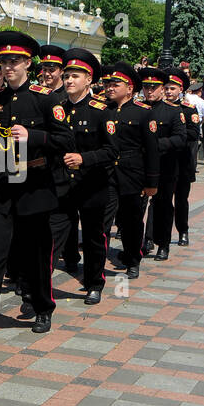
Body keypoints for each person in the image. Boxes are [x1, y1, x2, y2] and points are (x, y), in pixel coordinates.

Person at [0, 31, 74, 345]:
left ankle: (43, 306)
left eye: (14, 61)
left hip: (34, 185)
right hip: (2, 185)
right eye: (3, 61)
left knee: (35, 252)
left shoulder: (45, 99)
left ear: (28, 63)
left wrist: (36, 137)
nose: (8, 67)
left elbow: (66, 141)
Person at [50, 48, 116, 304]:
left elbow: (112, 150)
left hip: (92, 184)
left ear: (88, 80)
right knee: (53, 236)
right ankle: (40, 289)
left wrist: (84, 159)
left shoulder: (102, 110)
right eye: (66, 76)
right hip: (63, 185)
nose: (68, 81)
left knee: (92, 237)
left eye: (75, 76)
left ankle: (94, 282)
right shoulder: (57, 108)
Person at [103, 62, 158, 279]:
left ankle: (133, 258)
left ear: (130, 88)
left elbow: (152, 150)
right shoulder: (103, 110)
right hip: (106, 174)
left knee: (130, 221)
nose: (110, 88)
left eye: (116, 84)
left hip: (132, 175)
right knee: (103, 219)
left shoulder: (143, 113)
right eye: (108, 84)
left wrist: (152, 182)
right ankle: (98, 261)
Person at [139, 67, 186, 260]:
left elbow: (181, 138)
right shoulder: (138, 109)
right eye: (146, 87)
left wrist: (156, 145)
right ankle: (139, 242)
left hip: (164, 166)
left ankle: (163, 244)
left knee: (163, 206)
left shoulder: (173, 112)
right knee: (135, 207)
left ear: (161, 89)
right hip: (140, 166)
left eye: (154, 87)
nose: (150, 91)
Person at [172, 74, 203, 244]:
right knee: (160, 201)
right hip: (165, 161)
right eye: (166, 88)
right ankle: (151, 237)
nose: (168, 92)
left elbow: (194, 133)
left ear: (180, 90)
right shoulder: (159, 108)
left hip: (183, 160)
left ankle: (183, 230)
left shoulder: (189, 109)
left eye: (172, 88)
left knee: (181, 200)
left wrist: (175, 135)